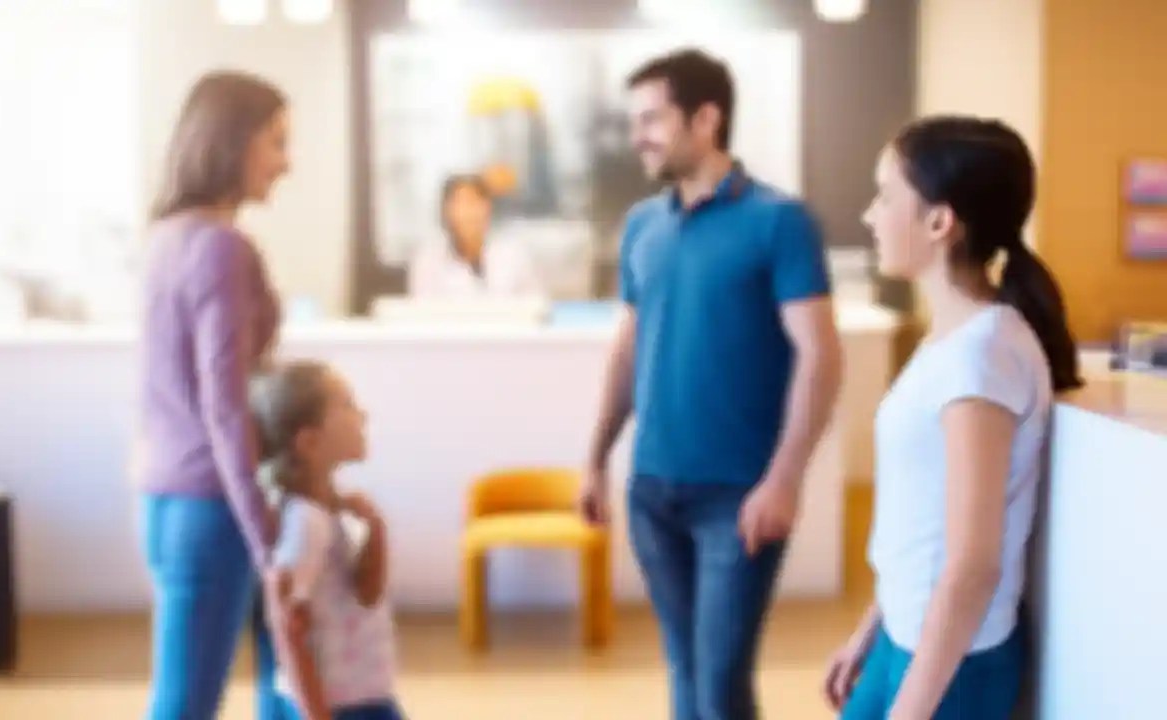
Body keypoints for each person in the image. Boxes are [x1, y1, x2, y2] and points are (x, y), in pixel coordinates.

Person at [580, 49, 843, 719]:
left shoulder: (780, 221)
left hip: (739, 497)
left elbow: (821, 355)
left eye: (651, 118)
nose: (637, 135)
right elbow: (629, 348)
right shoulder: (643, 224)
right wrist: (595, 456)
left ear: (705, 118)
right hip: (653, 491)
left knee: (720, 684)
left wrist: (785, 479)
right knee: (686, 671)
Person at [823, 117, 1082, 719]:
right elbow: (925, 523)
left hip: (952, 666)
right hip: (909, 637)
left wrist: (911, 706)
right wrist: (870, 633)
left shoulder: (982, 356)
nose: (870, 215)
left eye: (886, 196)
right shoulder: (957, 339)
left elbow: (971, 565)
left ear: (940, 222)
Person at [136, 70, 291, 719]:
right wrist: (262, 530)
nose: (286, 163)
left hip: (171, 498)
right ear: (233, 143)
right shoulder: (221, 249)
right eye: (276, 142)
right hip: (219, 504)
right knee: (185, 705)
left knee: (287, 683)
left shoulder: (166, 238)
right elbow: (224, 405)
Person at [251, 362, 405, 720]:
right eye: (348, 405)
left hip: (360, 693)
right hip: (337, 703)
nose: (363, 415)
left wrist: (375, 530)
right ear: (310, 441)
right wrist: (316, 713)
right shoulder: (306, 523)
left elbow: (366, 594)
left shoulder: (325, 512)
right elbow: (287, 628)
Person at [407, 174, 543, 298]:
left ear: (488, 209)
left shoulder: (513, 254)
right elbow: (423, 314)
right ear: (446, 212)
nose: (470, 213)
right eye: (461, 204)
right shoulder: (427, 260)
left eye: (476, 203)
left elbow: (534, 307)